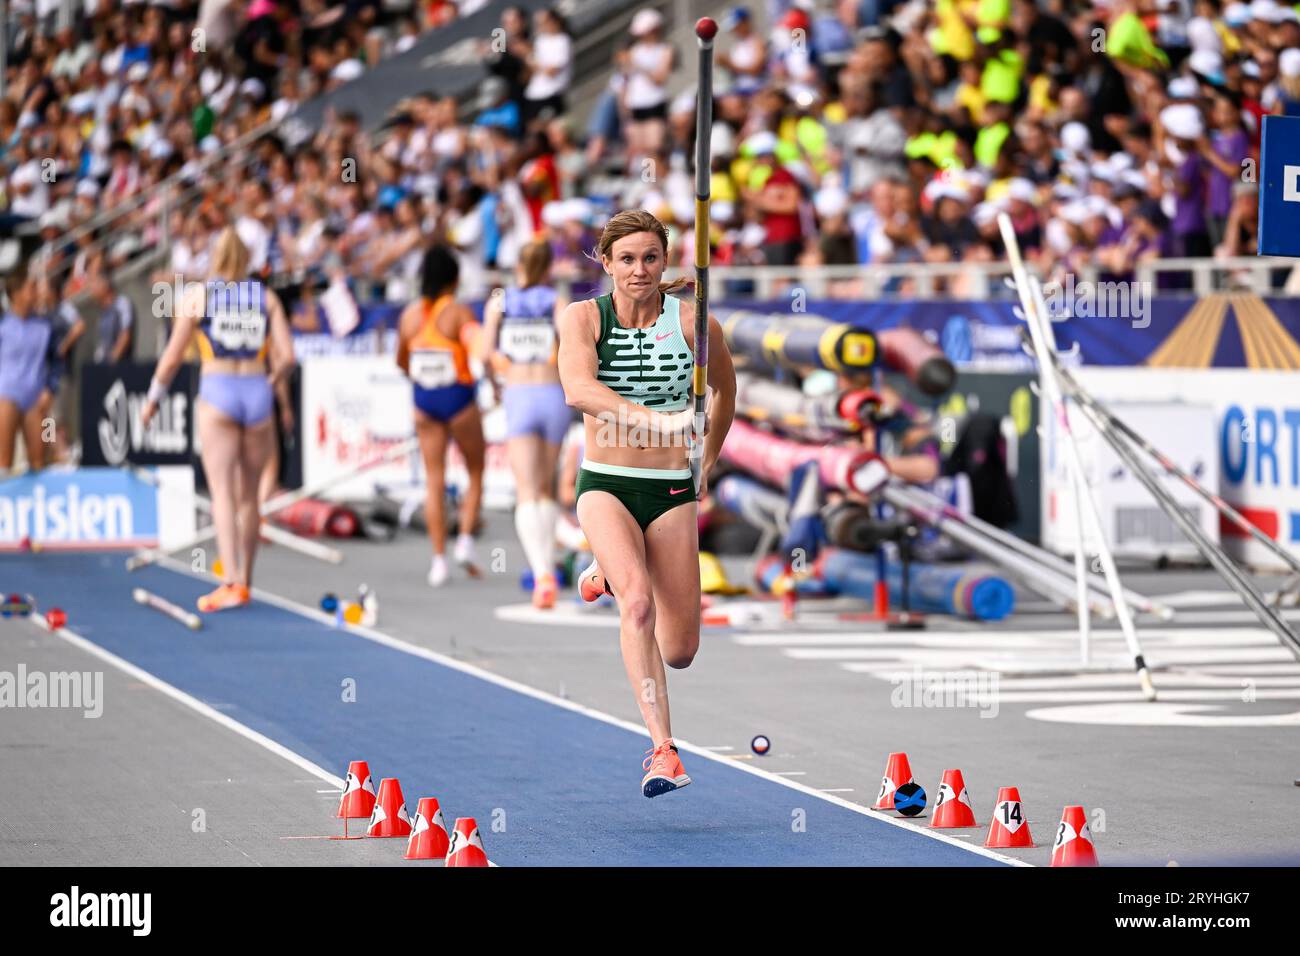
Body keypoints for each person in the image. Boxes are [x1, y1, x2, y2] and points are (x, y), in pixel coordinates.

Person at [556, 209, 736, 798]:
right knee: (637, 606)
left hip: (670, 491)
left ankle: (606, 568)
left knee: (680, 650)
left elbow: (725, 391)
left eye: (651, 258)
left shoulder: (691, 322)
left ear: (665, 261)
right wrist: (660, 424)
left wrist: (706, 459)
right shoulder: (583, 317)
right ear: (605, 262)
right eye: (627, 259)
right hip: (605, 482)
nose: (639, 269)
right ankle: (663, 750)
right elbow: (578, 390)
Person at [142, 228, 294, 611]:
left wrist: (152, 399)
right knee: (249, 498)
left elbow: (173, 356)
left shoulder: (200, 296)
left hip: (219, 394)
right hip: (257, 394)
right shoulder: (266, 298)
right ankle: (246, 580)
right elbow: (288, 356)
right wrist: (273, 380)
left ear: (214, 258)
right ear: (246, 259)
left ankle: (229, 582)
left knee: (222, 494)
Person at [481, 239, 570, 609]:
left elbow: (486, 352)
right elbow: (573, 346)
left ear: (517, 264)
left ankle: (542, 574)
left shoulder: (500, 302)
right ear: (549, 267)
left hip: (519, 393)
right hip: (552, 394)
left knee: (526, 491)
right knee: (547, 487)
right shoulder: (556, 301)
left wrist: (495, 384)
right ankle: (546, 567)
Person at [396, 244, 486, 586]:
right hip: (459, 400)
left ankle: (438, 561)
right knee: (475, 470)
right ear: (454, 279)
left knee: (434, 479)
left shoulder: (408, 317)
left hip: (425, 402)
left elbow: (401, 362)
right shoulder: (459, 313)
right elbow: (477, 349)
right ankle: (464, 540)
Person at [0, 264, 82, 472]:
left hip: (36, 400)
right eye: (31, 287)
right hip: (6, 396)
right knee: (3, 463)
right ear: (16, 293)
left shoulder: (47, 325)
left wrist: (50, 389)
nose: (37, 292)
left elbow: (57, 361)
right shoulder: (3, 324)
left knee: (39, 462)